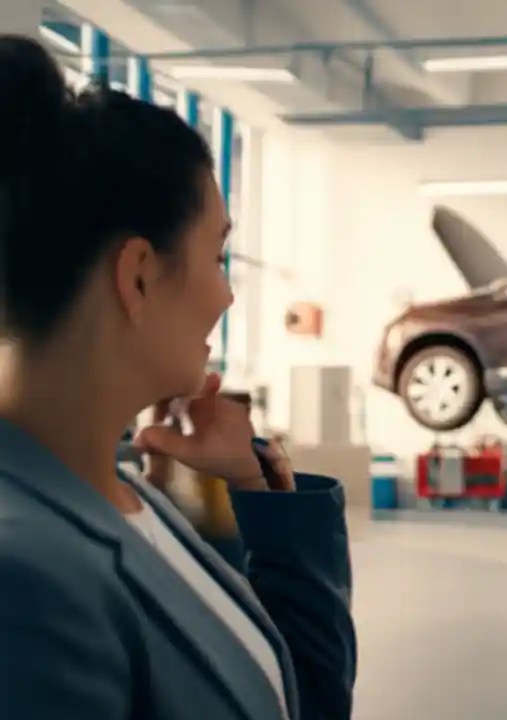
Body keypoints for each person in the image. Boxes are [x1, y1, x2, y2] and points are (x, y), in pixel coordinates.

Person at [0, 36, 355, 719]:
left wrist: (255, 490)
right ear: (137, 275)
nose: (227, 296)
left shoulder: (138, 503)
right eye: (217, 255)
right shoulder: (23, 581)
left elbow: (305, 699)